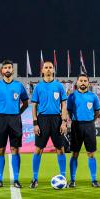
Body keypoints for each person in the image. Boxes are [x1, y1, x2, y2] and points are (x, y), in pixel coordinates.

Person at [0, 60, 30, 189]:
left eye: (9, 67)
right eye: (5, 68)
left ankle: (16, 179)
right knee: (0, 149)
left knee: (15, 149)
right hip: (1, 119)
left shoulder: (19, 85)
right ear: (2, 71)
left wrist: (18, 113)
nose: (7, 69)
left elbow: (26, 103)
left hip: (15, 119)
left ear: (13, 70)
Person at [29, 60, 69, 188]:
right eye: (45, 67)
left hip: (57, 120)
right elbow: (34, 106)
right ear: (42, 70)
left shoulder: (59, 86)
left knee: (60, 149)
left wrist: (63, 122)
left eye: (50, 67)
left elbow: (63, 105)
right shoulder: (38, 87)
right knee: (38, 149)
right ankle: (35, 179)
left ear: (53, 70)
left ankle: (63, 177)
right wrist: (35, 123)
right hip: (42, 120)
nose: (48, 69)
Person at [67, 74, 100, 187]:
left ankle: (94, 180)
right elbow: (69, 111)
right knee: (75, 153)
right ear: (77, 82)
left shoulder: (93, 96)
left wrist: (91, 120)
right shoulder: (72, 96)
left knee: (91, 153)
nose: (83, 82)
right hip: (76, 126)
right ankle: (72, 180)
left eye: (85, 81)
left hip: (89, 126)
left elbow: (97, 111)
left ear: (88, 83)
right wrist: (75, 120)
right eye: (80, 80)